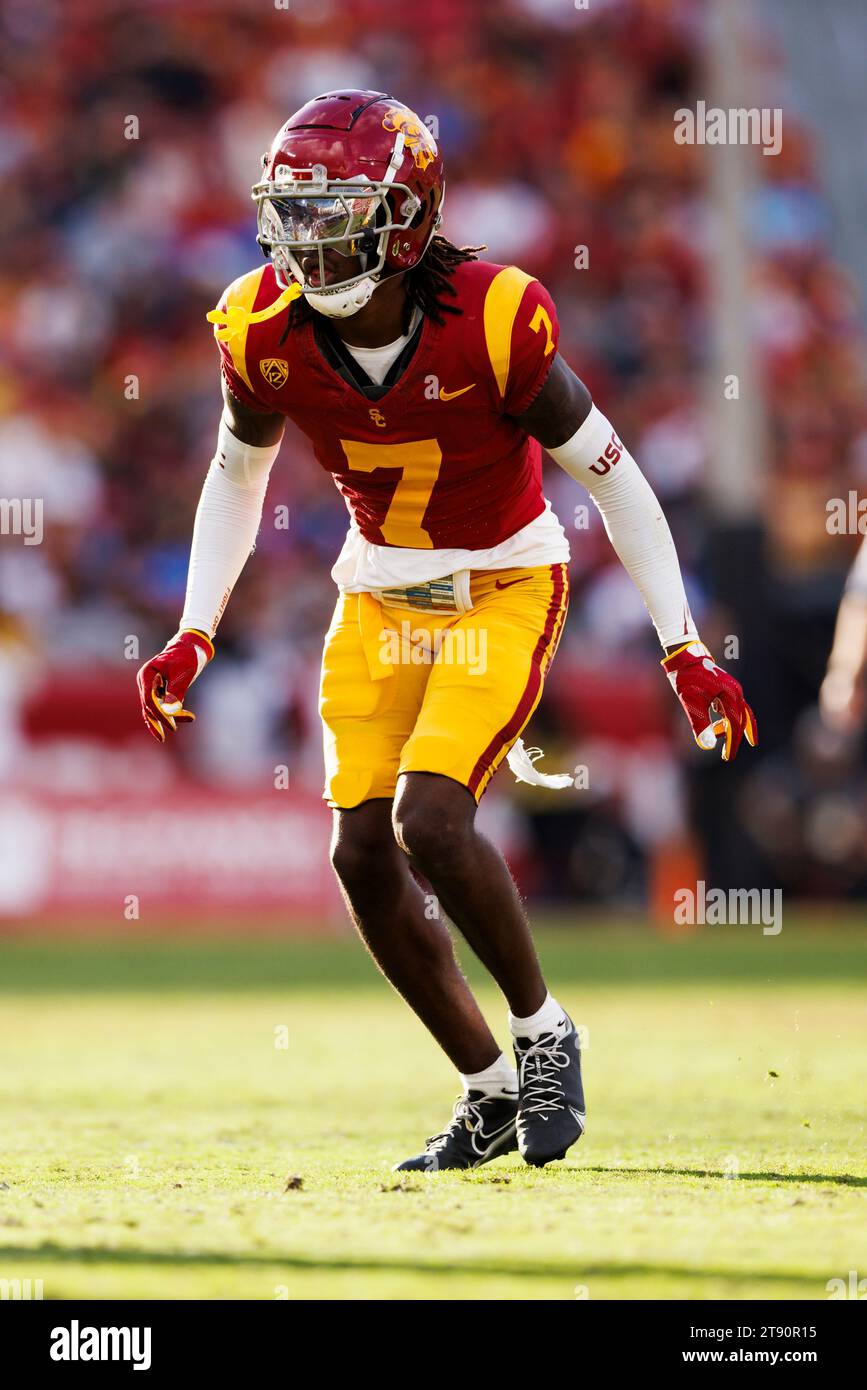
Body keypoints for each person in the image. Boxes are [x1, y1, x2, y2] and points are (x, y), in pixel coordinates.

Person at [136, 91, 756, 1171]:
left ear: (407, 218)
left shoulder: (495, 318)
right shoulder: (259, 325)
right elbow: (235, 478)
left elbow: (615, 480)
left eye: (336, 213)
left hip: (503, 582)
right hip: (379, 591)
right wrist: (196, 628)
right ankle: (487, 1087)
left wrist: (683, 643)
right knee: (360, 852)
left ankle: (544, 1031)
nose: (308, 240)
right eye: (296, 212)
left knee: (430, 818)